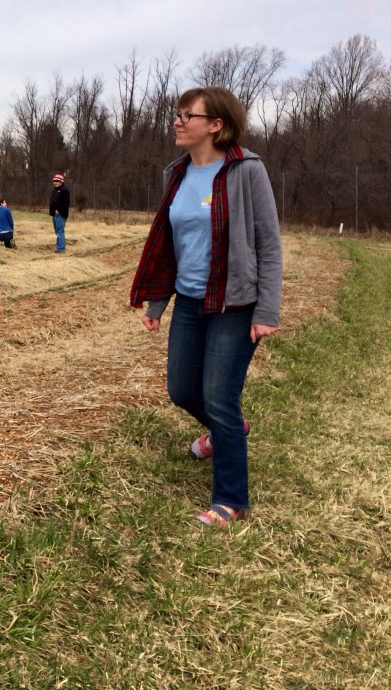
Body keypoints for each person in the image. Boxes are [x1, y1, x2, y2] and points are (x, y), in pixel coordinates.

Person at [129, 86, 282, 527]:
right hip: (191, 301)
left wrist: (266, 311)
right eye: (177, 114)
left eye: (187, 115)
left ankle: (230, 500)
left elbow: (268, 245)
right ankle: (226, 430)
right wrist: (158, 303)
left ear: (216, 125)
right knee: (181, 389)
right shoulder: (175, 174)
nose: (178, 121)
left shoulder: (247, 171)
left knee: (219, 396)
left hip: (235, 304)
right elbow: (171, 248)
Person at [49, 173, 70, 253]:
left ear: (61, 181)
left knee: (60, 231)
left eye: (57, 181)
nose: (55, 182)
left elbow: (66, 203)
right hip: (55, 214)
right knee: (58, 231)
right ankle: (60, 247)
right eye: (54, 181)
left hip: (60, 215)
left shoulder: (64, 191)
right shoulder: (55, 190)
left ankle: (61, 249)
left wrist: (59, 210)